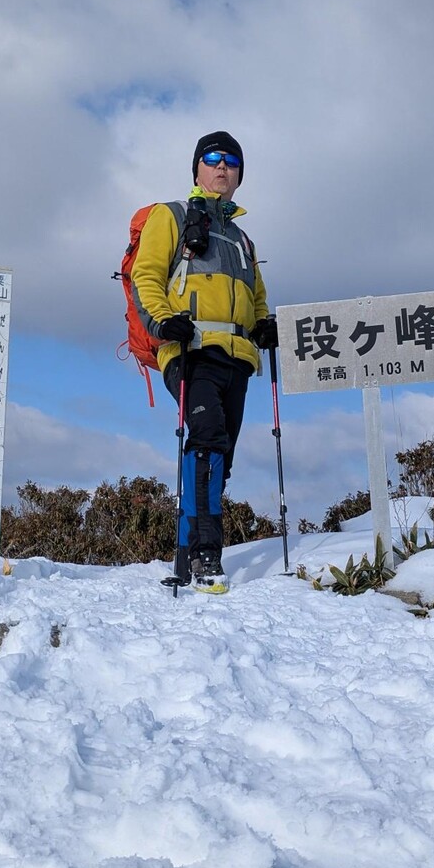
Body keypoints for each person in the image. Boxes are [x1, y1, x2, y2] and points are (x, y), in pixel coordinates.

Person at [131, 130, 278, 591]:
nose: (222, 167)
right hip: (189, 349)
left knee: (219, 456)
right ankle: (205, 555)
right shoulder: (171, 216)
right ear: (196, 168)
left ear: (239, 175)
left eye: (231, 161)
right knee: (208, 440)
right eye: (212, 158)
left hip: (238, 357)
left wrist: (263, 326)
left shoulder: (242, 239)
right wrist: (162, 322)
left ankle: (184, 545)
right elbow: (145, 276)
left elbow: (256, 297)